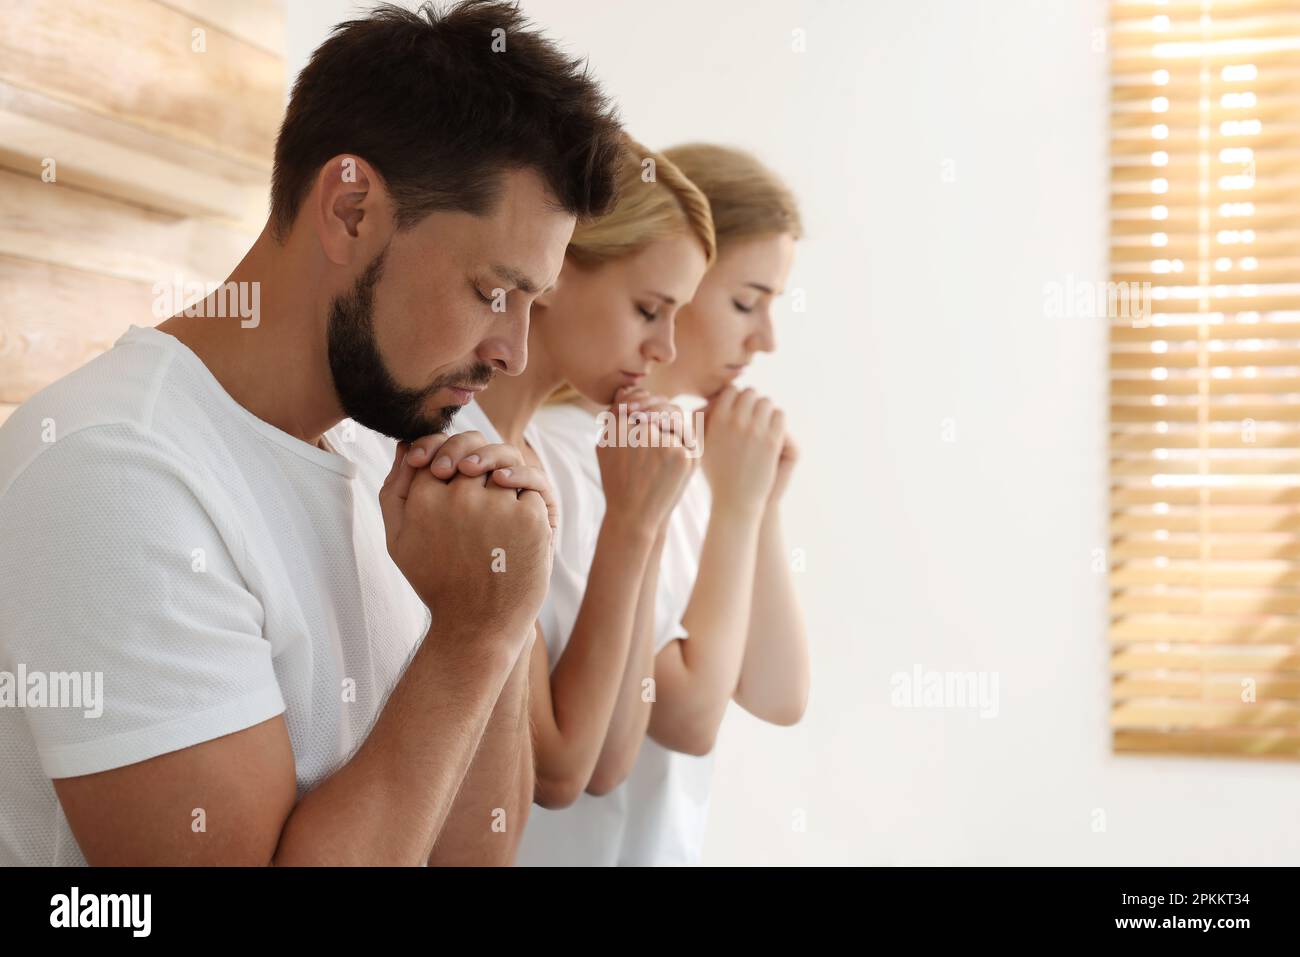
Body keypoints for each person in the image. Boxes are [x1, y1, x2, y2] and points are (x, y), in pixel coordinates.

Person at [0, 0, 623, 866]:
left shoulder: (390, 454)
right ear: (351, 209)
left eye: (533, 304)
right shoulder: (113, 474)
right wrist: (471, 637)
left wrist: (501, 614)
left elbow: (477, 852)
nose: (515, 352)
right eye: (494, 290)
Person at [530, 143, 809, 865]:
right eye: (746, 302)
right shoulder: (573, 450)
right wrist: (739, 509)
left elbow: (779, 694)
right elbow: (687, 713)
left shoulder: (672, 455)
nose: (765, 338)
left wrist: (758, 503)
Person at [450, 135, 715, 865]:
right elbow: (562, 768)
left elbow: (611, 754)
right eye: (648, 308)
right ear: (558, 265)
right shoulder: (464, 456)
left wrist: (650, 515)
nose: (666, 347)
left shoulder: (533, 450)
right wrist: (632, 521)